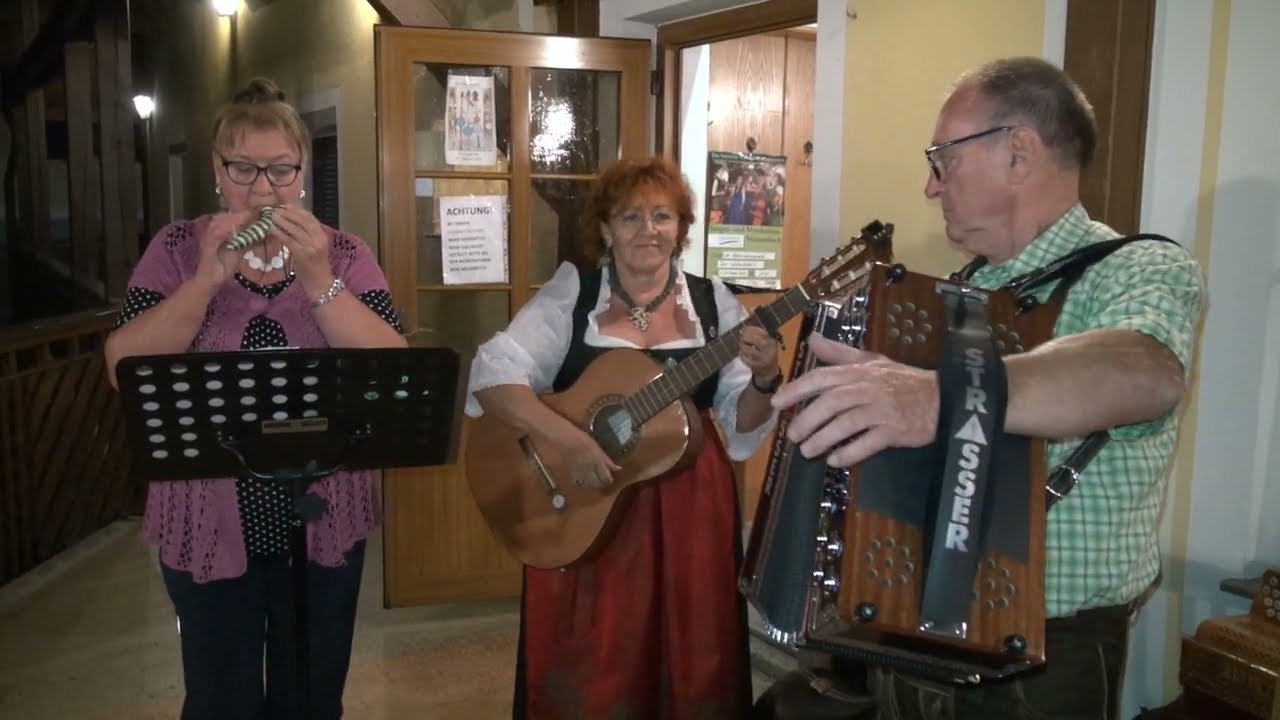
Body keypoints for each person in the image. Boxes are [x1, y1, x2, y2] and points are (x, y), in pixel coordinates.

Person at [772, 57, 1205, 720]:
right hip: (910, 638)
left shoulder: (1139, 268)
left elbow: (1146, 372)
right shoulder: (952, 294)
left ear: (1019, 153)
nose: (929, 188)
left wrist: (940, 396)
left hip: (1041, 664)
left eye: (943, 160)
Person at [103, 77, 406, 720]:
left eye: (280, 170)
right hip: (206, 512)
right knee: (221, 698)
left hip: (321, 510)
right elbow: (121, 367)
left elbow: (392, 366)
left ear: (303, 171)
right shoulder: (177, 250)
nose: (263, 189)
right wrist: (205, 282)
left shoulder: (345, 254)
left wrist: (320, 280)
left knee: (312, 696)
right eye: (244, 169)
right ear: (217, 168)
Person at [466, 155, 783, 719]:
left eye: (663, 217)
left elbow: (739, 424)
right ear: (606, 229)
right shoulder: (573, 296)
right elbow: (494, 376)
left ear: (681, 230)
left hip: (689, 504)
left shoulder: (715, 304)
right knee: (596, 652)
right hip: (589, 496)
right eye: (631, 217)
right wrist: (568, 440)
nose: (649, 231)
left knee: (694, 645)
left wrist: (764, 377)